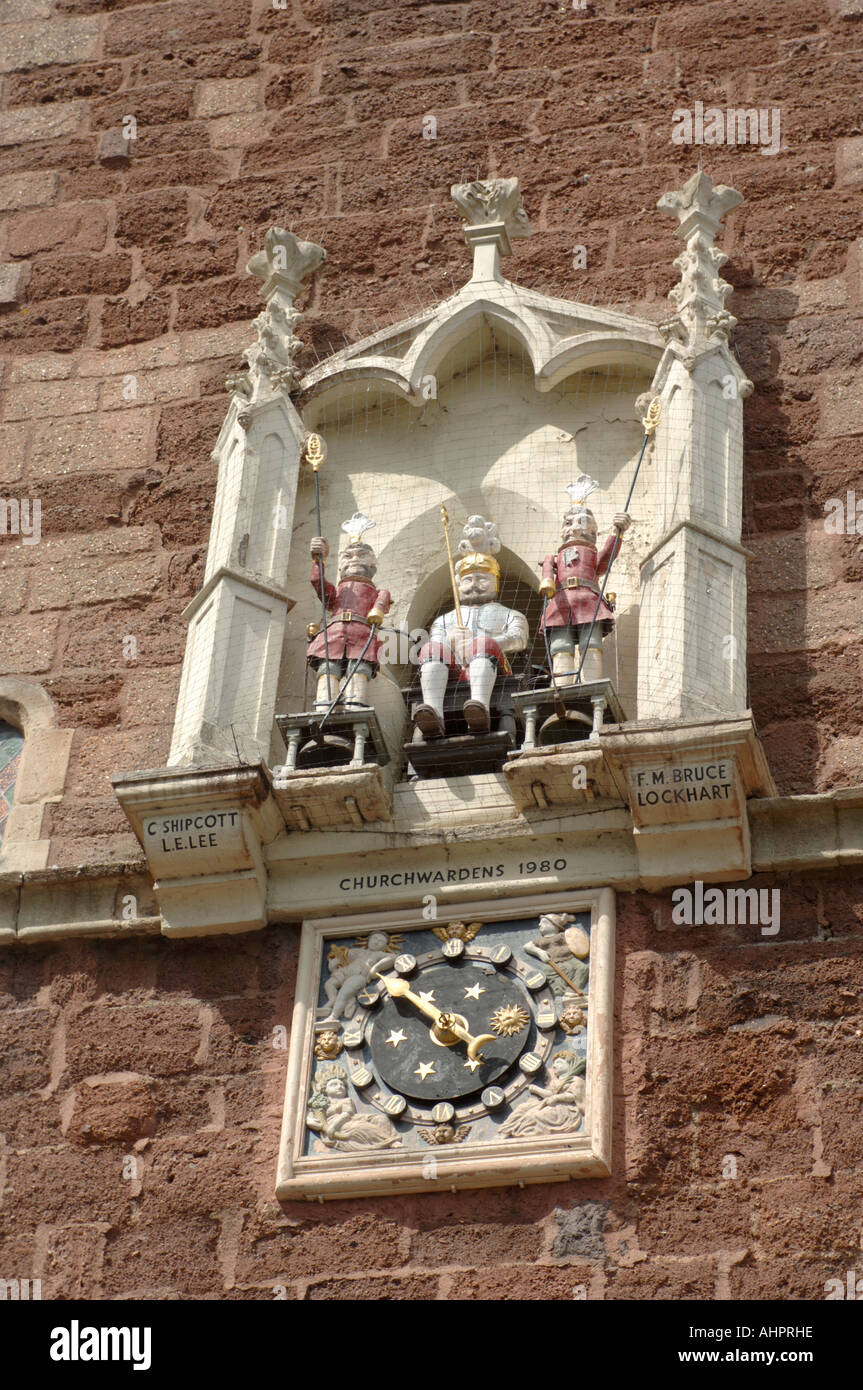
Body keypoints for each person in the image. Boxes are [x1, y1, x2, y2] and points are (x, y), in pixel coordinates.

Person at [414, 515, 528, 738]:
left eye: (482, 579)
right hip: (455, 675)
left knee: (483, 644)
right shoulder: (444, 620)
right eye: (467, 580)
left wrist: (487, 644)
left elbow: (519, 637)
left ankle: (480, 708)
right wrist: (451, 641)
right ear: (458, 585)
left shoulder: (509, 614)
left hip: (497, 672)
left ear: (495, 581)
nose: (474, 585)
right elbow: (437, 643)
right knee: (430, 650)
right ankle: (434, 713)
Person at [540, 476, 631, 685]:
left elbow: (605, 559)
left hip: (588, 598)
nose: (573, 528)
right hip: (561, 601)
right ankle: (562, 686)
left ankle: (589, 683)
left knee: (590, 642)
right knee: (560, 645)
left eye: (580, 522)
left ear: (593, 531)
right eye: (568, 523)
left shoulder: (590, 553)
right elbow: (548, 576)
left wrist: (618, 533)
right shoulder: (553, 558)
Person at [307, 511, 391, 710]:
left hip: (361, 632)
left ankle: (355, 702)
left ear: (373, 563)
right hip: (334, 632)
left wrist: (378, 609)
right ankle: (324, 704)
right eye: (348, 555)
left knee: (359, 667)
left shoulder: (379, 591)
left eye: (362, 555)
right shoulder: (336, 592)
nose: (354, 559)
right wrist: (319, 560)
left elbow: (382, 601)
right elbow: (317, 583)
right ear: (340, 565)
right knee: (328, 667)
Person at [306, 1066, 401, 1151]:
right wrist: (309, 1119)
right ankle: (389, 1142)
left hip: (341, 1122)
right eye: (334, 1084)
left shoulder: (347, 1100)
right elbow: (312, 1112)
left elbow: (346, 1115)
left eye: (342, 1085)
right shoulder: (321, 1102)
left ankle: (393, 1140)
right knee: (362, 1127)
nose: (339, 1087)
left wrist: (333, 1127)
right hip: (341, 1128)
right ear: (324, 1089)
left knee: (381, 1119)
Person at [499, 1053, 586, 1138]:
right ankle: (505, 1131)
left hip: (564, 1109)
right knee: (523, 1107)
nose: (554, 1066)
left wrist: (556, 1097)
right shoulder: (556, 1082)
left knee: (534, 1116)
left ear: (571, 1064)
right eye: (554, 1063)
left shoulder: (576, 1080)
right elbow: (550, 1094)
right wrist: (536, 1089)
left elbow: (573, 1096)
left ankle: (519, 1133)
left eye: (559, 1062)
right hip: (549, 1103)